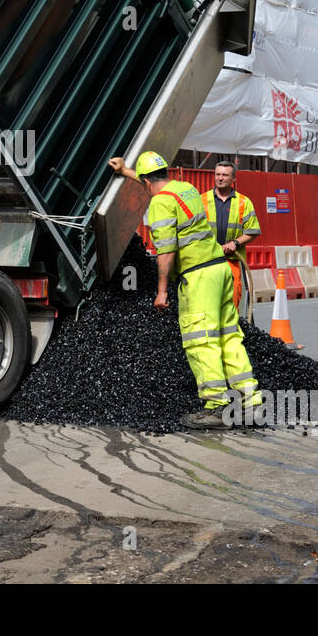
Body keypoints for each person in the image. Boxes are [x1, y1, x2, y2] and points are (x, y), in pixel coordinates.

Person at [108, 151, 263, 428]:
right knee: (229, 336)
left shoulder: (159, 204)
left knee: (201, 340)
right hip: (220, 269)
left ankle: (216, 406)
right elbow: (152, 182)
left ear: (145, 181)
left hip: (198, 276)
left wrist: (162, 291)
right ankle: (249, 402)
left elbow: (166, 251)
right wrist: (126, 172)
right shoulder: (187, 189)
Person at [199, 161, 260, 312]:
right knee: (207, 305)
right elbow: (194, 231)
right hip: (207, 261)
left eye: (225, 175)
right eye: (218, 174)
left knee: (231, 306)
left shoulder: (243, 202)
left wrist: (235, 243)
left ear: (233, 179)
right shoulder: (201, 201)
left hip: (231, 261)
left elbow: (252, 230)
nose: (220, 178)